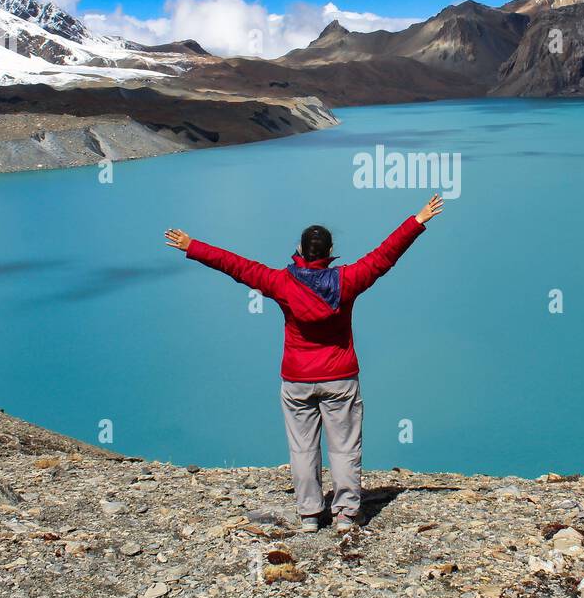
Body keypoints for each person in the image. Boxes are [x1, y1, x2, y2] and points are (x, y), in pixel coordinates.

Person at [164, 194, 444, 533]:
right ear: (328, 253)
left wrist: (193, 246)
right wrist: (417, 221)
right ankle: (344, 514)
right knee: (344, 448)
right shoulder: (348, 280)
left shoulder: (281, 283)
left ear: (300, 250)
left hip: (297, 380)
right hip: (340, 379)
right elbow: (384, 256)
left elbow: (237, 266)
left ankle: (310, 514)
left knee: (302, 448)